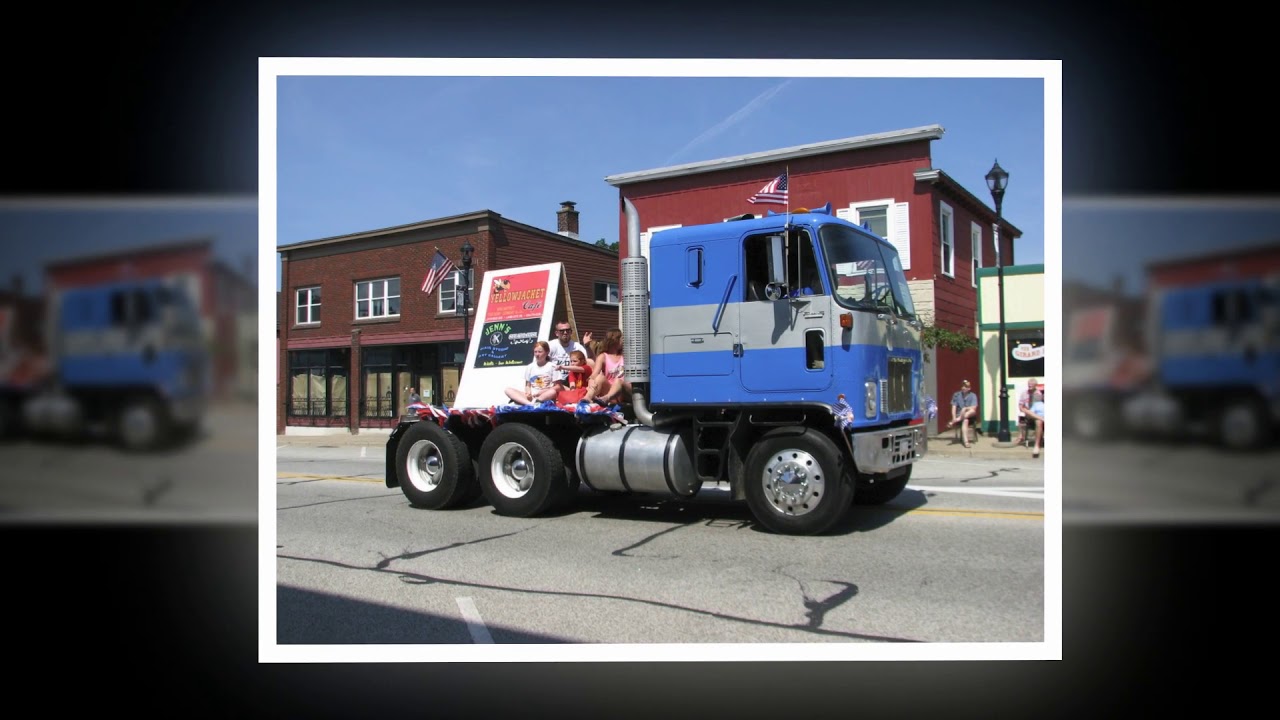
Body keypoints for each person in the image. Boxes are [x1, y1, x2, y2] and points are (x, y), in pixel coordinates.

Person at [504, 341, 562, 406]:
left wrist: (542, 392)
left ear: (547, 352)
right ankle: (530, 404)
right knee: (508, 390)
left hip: (545, 395)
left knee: (552, 392)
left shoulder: (553, 366)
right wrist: (528, 392)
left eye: (540, 352)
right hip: (532, 396)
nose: (537, 354)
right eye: (535, 352)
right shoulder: (530, 367)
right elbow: (527, 385)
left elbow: (558, 387)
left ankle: (537, 402)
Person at [584, 328, 628, 406]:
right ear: (615, 340)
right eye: (622, 338)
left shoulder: (625, 356)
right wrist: (591, 380)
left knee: (618, 380)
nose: (623, 341)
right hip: (609, 389)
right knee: (600, 377)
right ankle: (586, 399)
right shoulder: (603, 356)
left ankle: (606, 398)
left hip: (622, 392)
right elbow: (595, 373)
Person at [947, 379, 979, 448]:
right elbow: (954, 407)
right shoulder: (956, 395)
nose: (963, 388)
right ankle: (966, 442)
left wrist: (965, 409)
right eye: (963, 386)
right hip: (961, 416)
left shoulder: (973, 395)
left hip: (971, 415)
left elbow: (974, 407)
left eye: (966, 387)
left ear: (969, 388)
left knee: (971, 411)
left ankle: (952, 422)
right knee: (965, 420)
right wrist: (954, 417)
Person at [1016, 378, 1043, 447]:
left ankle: (1038, 439)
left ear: (1035, 385)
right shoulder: (1024, 393)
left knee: (1038, 419)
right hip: (1027, 412)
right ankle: (1020, 436)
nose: (1030, 387)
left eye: (1031, 385)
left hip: (1036, 413)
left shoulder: (1039, 394)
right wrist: (1024, 410)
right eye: (1029, 385)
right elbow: (1020, 406)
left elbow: (1039, 407)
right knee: (1022, 415)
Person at [1026, 389, 1046, 458]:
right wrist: (1040, 418)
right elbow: (1029, 414)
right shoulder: (1037, 404)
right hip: (1039, 420)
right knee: (1038, 421)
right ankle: (1036, 446)